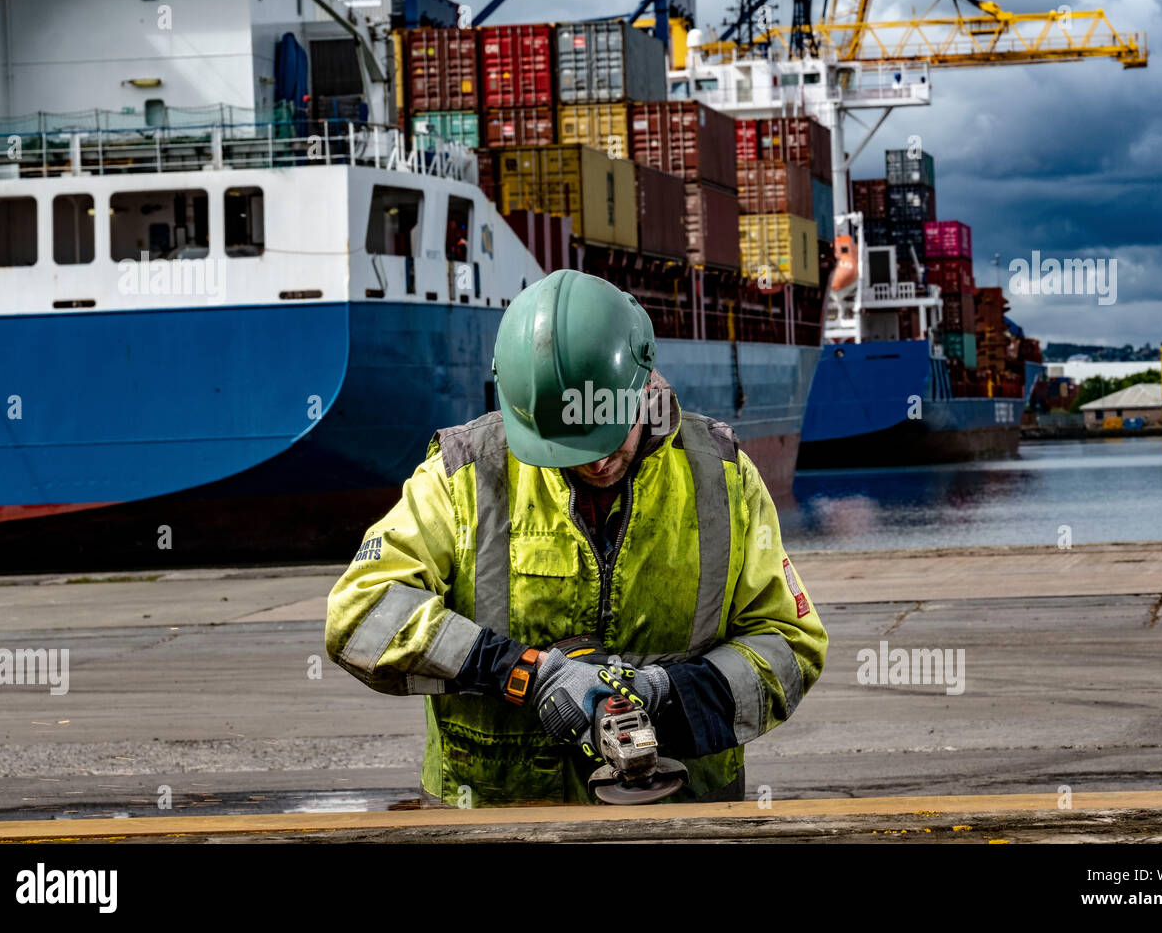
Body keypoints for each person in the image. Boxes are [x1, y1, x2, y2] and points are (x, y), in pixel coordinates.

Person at [324, 269, 826, 806]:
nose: (599, 459)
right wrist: (522, 672)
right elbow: (360, 614)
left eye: (611, 431)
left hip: (682, 812)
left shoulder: (723, 478)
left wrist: (669, 695)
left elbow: (789, 644)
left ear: (646, 382)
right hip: (494, 817)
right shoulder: (462, 478)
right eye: (572, 445)